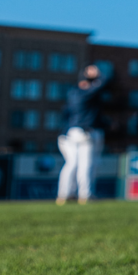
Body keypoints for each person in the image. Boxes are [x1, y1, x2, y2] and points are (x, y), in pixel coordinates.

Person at [56, 64, 110, 205]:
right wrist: (96, 74)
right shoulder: (85, 93)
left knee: (72, 163)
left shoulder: (72, 94)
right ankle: (85, 195)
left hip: (71, 133)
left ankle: (64, 194)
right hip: (85, 132)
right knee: (86, 165)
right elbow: (104, 83)